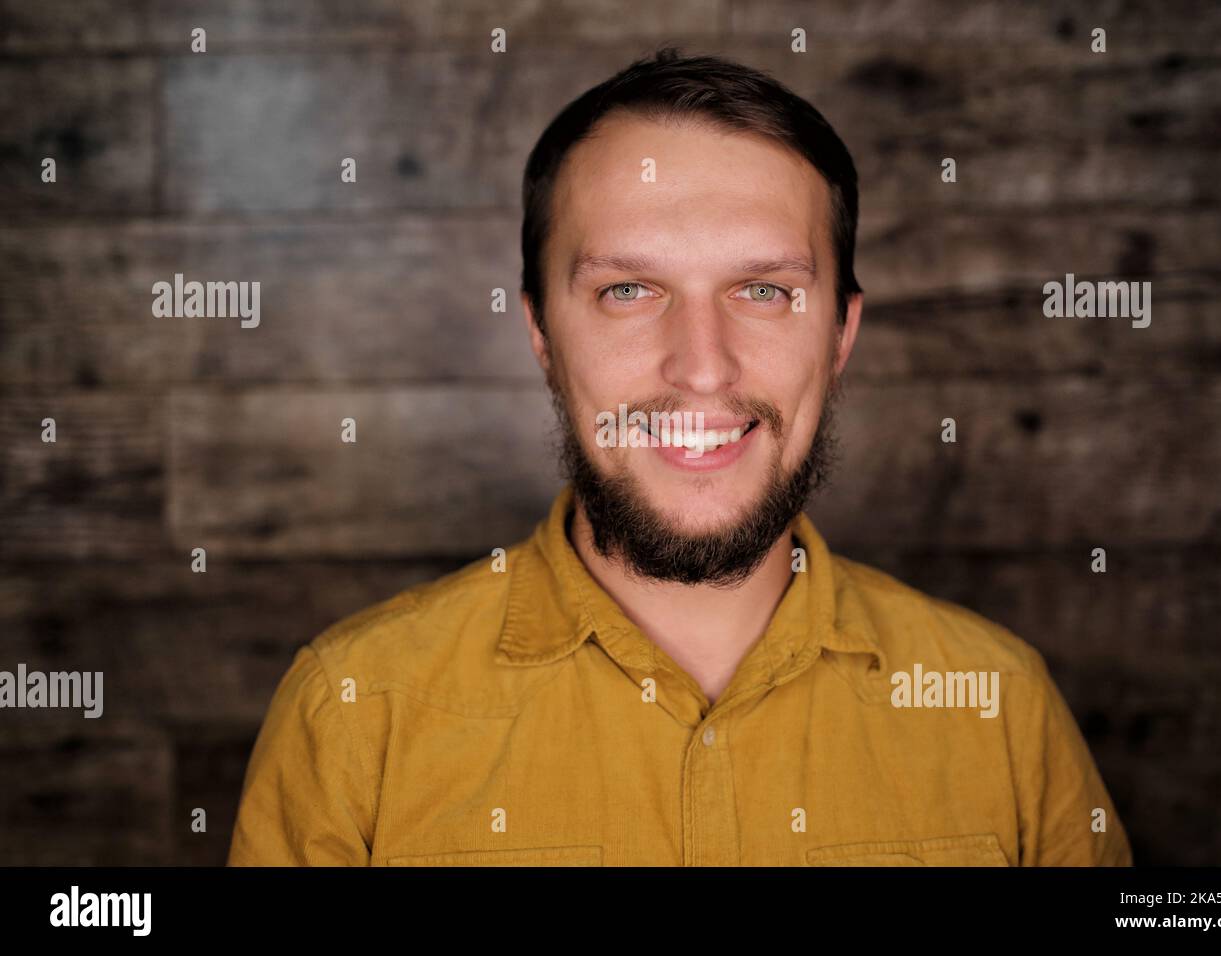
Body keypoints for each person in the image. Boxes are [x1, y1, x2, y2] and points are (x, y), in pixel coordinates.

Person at [228, 47, 1131, 867]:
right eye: (628, 290)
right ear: (542, 331)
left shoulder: (1000, 706)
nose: (702, 367)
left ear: (842, 333)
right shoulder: (352, 714)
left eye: (764, 291)